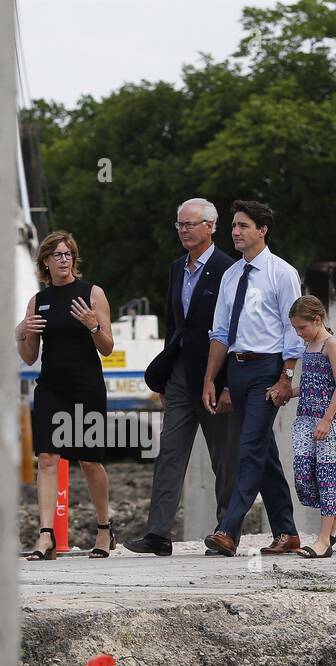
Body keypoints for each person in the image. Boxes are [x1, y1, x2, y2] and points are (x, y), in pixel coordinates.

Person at [124, 199, 239, 557]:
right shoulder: (177, 268)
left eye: (191, 224)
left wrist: (230, 383)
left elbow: (235, 330)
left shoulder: (229, 270)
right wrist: (162, 377)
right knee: (169, 453)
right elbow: (176, 326)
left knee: (225, 456)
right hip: (177, 376)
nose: (184, 230)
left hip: (216, 376)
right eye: (180, 225)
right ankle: (158, 534)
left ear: (211, 226)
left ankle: (227, 531)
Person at [200, 200, 306, 558]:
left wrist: (286, 378)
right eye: (233, 226)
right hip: (238, 369)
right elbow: (219, 333)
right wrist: (212, 379)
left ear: (262, 230)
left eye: (243, 225)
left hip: (267, 368)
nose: (235, 231)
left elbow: (294, 331)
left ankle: (228, 531)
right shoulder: (231, 275)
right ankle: (287, 533)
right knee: (262, 452)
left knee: (248, 450)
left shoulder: (282, 273)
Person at [16, 231, 116, 559]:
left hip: (86, 385)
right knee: (47, 458)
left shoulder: (93, 294)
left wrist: (93, 325)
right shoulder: (39, 300)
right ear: (45, 260)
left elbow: (108, 348)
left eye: (68, 254)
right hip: (51, 387)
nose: (63, 259)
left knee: (89, 461)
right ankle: (46, 536)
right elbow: (30, 356)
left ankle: (104, 529)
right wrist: (19, 335)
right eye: (57, 254)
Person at [285, 295, 336, 557]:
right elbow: (311, 385)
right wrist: (286, 393)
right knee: (305, 475)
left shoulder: (331, 344)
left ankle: (322, 541)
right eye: (295, 329)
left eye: (302, 328)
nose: (299, 334)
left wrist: (327, 420)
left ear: (317, 320)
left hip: (331, 420)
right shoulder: (308, 347)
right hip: (307, 418)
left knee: (329, 476)